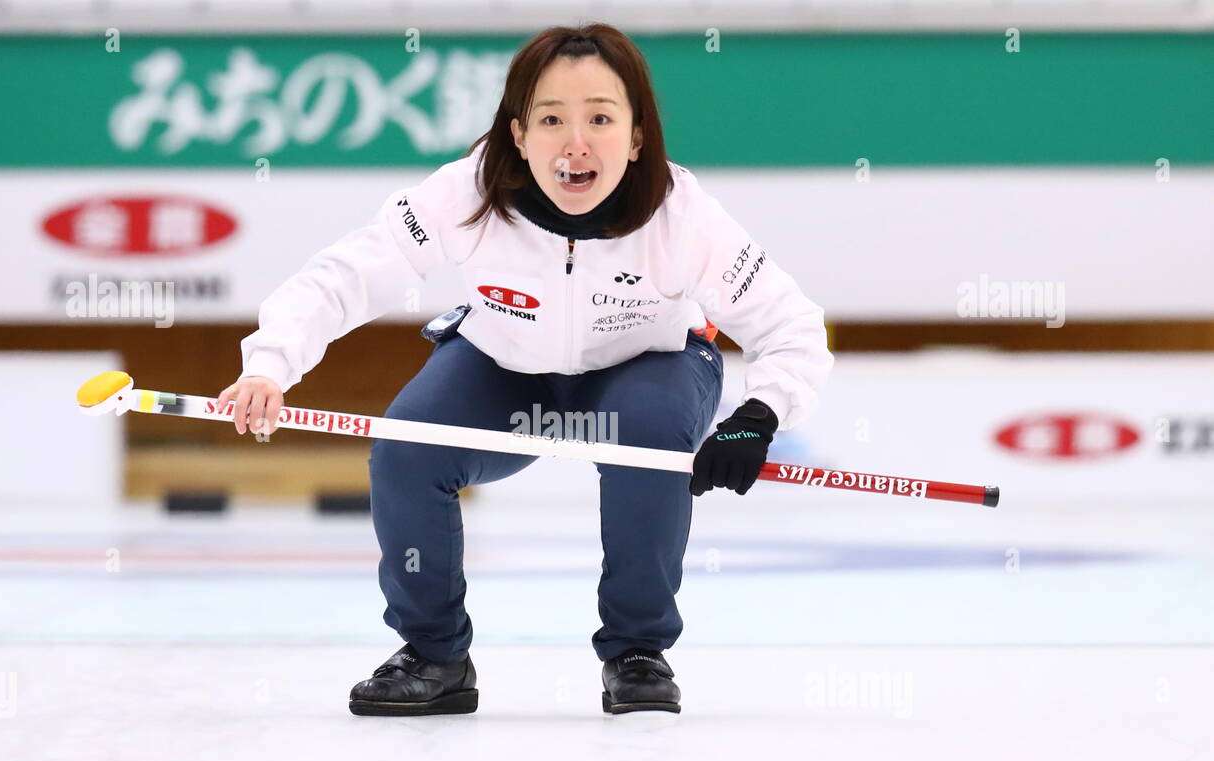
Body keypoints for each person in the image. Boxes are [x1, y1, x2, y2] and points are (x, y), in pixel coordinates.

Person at [217, 23, 833, 717]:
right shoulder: (466, 194)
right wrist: (269, 366)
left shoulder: (683, 216)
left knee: (650, 441)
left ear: (636, 138)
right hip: (505, 368)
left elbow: (793, 328)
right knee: (407, 446)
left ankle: (637, 652)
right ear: (517, 134)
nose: (576, 143)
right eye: (551, 120)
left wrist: (759, 416)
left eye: (600, 118)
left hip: (646, 370)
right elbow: (343, 276)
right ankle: (434, 654)